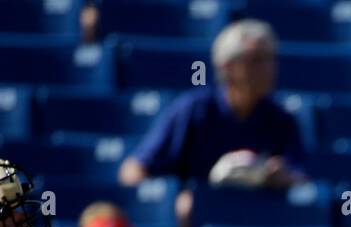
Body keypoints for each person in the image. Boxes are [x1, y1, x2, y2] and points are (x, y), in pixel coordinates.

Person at [118, 20, 307, 190]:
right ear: (228, 67)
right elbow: (133, 170)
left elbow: (301, 181)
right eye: (256, 60)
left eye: (271, 59)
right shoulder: (193, 109)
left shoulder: (281, 119)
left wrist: (283, 177)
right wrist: (174, 205)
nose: (268, 69)